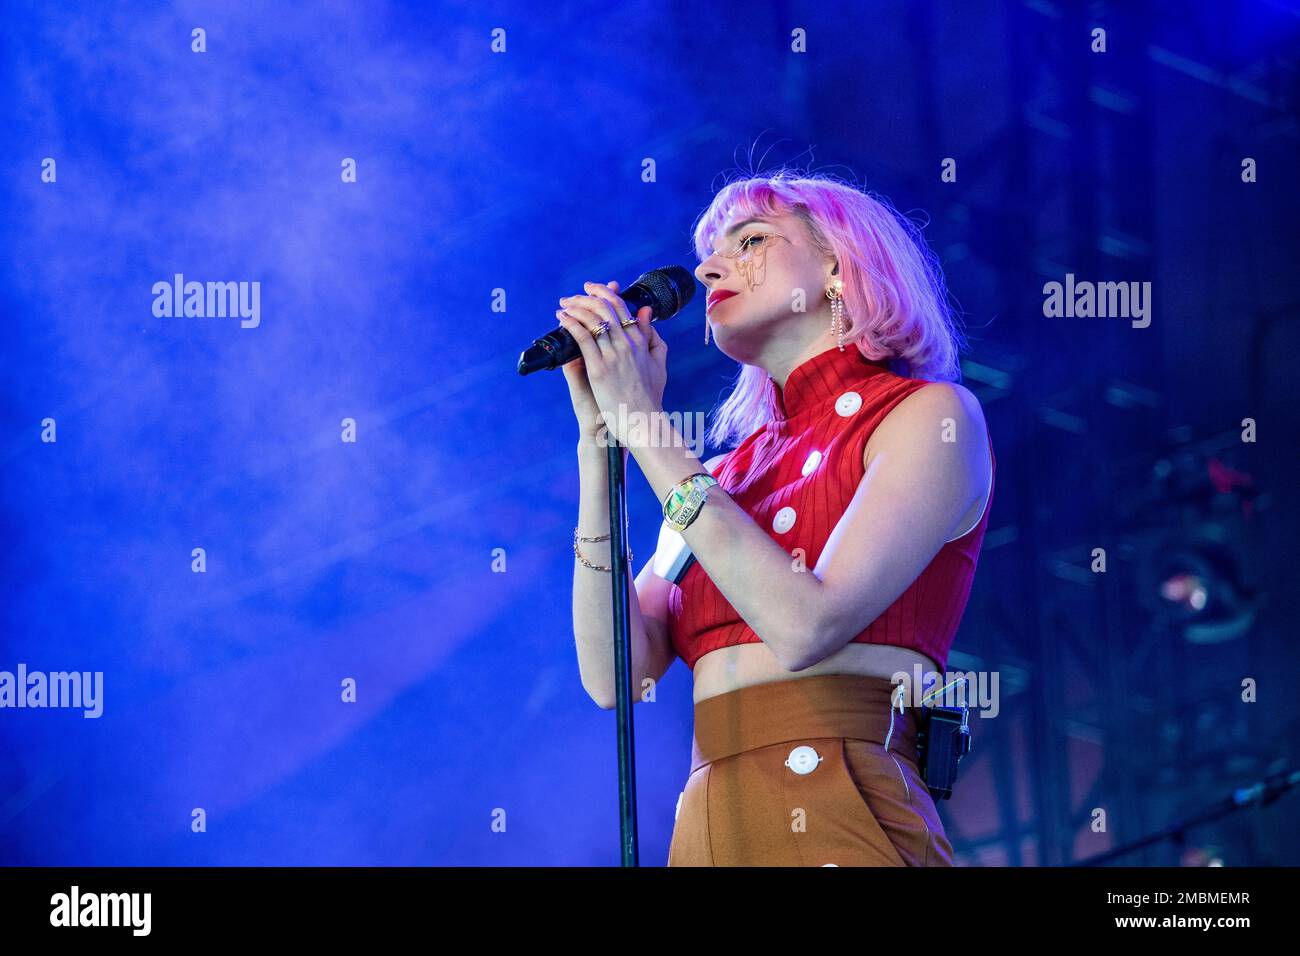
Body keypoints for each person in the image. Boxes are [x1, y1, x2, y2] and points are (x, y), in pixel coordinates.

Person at [557, 169, 994, 866]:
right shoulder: (723, 477)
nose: (707, 267)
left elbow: (805, 625)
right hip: (708, 819)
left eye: (751, 239)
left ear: (837, 265)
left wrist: (646, 424)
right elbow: (615, 674)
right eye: (710, 250)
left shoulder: (928, 417)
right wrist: (600, 443)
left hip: (841, 801)